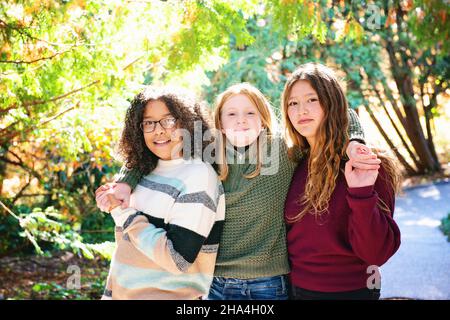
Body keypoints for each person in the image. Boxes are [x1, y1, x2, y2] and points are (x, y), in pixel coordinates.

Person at [97, 82, 369, 300]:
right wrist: (125, 180)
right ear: (220, 123)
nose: (241, 120)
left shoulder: (284, 152)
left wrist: (355, 140)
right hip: (216, 283)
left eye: (250, 112)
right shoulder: (208, 153)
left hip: (269, 284)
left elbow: (339, 114)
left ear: (263, 119)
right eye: (231, 114)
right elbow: (150, 157)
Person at [282, 62, 401, 300]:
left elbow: (376, 252)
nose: (301, 110)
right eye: (292, 103)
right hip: (295, 291)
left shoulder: (366, 163)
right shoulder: (293, 162)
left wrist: (362, 193)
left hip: (352, 291)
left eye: (312, 100)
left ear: (332, 103)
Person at [100, 86, 225, 300]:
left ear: (187, 123)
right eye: (149, 122)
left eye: (168, 120)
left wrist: (122, 212)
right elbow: (130, 247)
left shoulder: (199, 177)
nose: (158, 130)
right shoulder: (148, 169)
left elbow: (178, 260)